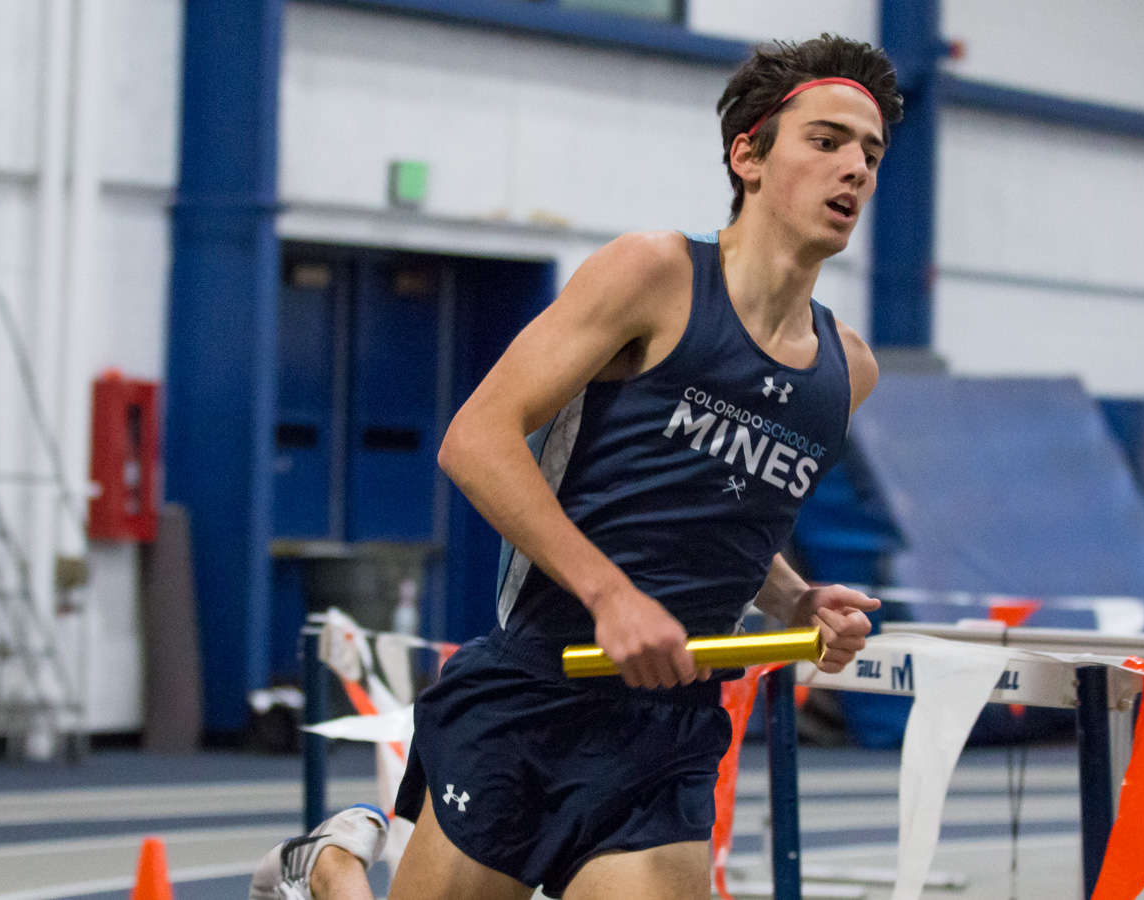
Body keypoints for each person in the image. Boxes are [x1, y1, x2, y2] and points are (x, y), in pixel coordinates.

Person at [251, 33, 904, 900]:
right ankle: (333, 868)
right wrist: (609, 595)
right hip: (536, 691)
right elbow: (475, 439)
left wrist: (794, 599)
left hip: (667, 729)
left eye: (871, 152)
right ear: (748, 154)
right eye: (826, 141)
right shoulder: (656, 275)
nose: (854, 169)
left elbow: (731, 506)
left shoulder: (845, 370)